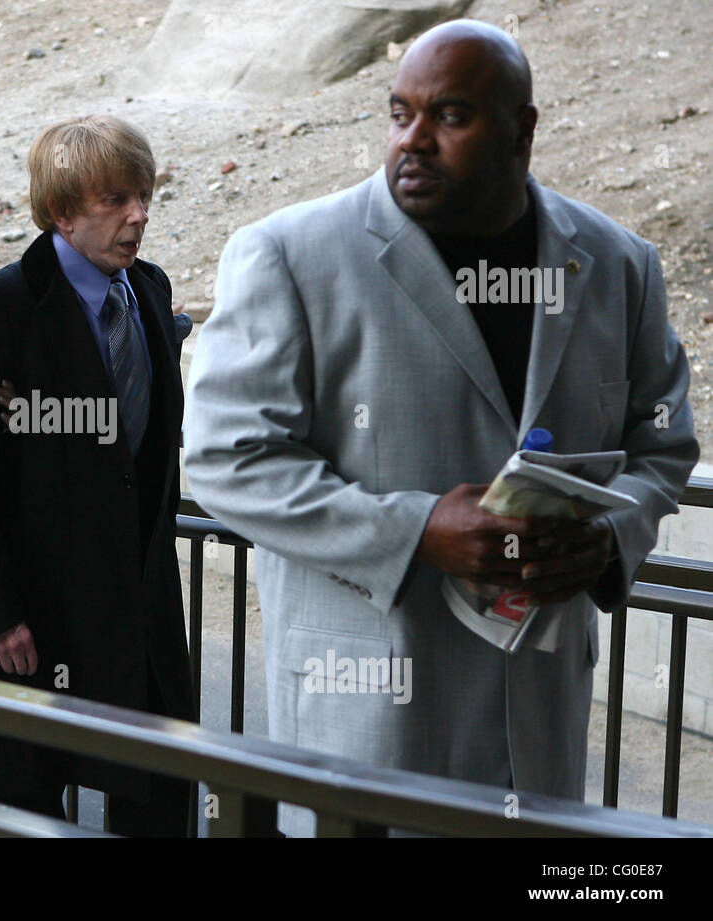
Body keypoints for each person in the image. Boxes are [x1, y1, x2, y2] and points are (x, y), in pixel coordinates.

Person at [183, 19, 699, 834]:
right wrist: (418, 529)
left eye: (450, 116)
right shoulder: (289, 254)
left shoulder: (619, 264)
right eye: (399, 114)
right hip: (366, 734)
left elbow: (663, 446)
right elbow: (224, 462)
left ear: (522, 130)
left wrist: (610, 535)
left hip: (536, 730)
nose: (412, 141)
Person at [0, 114, 197, 837]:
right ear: (61, 211)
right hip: (38, 615)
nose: (138, 215)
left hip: (139, 607)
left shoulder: (148, 289)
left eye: (143, 196)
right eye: (115, 200)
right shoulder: (4, 304)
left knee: (158, 798)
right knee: (21, 806)